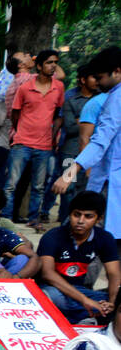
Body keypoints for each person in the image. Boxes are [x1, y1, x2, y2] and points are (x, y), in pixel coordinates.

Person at [53, 46, 121, 240]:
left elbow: (99, 140)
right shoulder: (108, 97)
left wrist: (70, 173)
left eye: (100, 78)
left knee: (89, 238)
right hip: (105, 173)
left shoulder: (116, 98)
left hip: (110, 179)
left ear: (117, 71)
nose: (98, 83)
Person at [35, 190, 119, 324]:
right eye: (76, 215)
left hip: (81, 291)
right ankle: (86, 316)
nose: (80, 221)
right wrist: (85, 301)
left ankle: (78, 316)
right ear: (70, 214)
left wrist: (113, 303)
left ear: (99, 218)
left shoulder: (105, 238)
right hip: (53, 290)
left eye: (88, 216)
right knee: (49, 298)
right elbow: (47, 274)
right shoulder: (53, 236)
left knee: (115, 300)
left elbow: (114, 273)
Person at [2, 49, 63, 230]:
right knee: (10, 185)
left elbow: (58, 114)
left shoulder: (58, 87)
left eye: (55, 62)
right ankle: (5, 219)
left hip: (44, 144)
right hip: (22, 142)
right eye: (49, 62)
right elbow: (15, 112)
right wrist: (20, 130)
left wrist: (53, 136)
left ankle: (33, 219)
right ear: (39, 66)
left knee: (38, 186)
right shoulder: (25, 86)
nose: (53, 66)